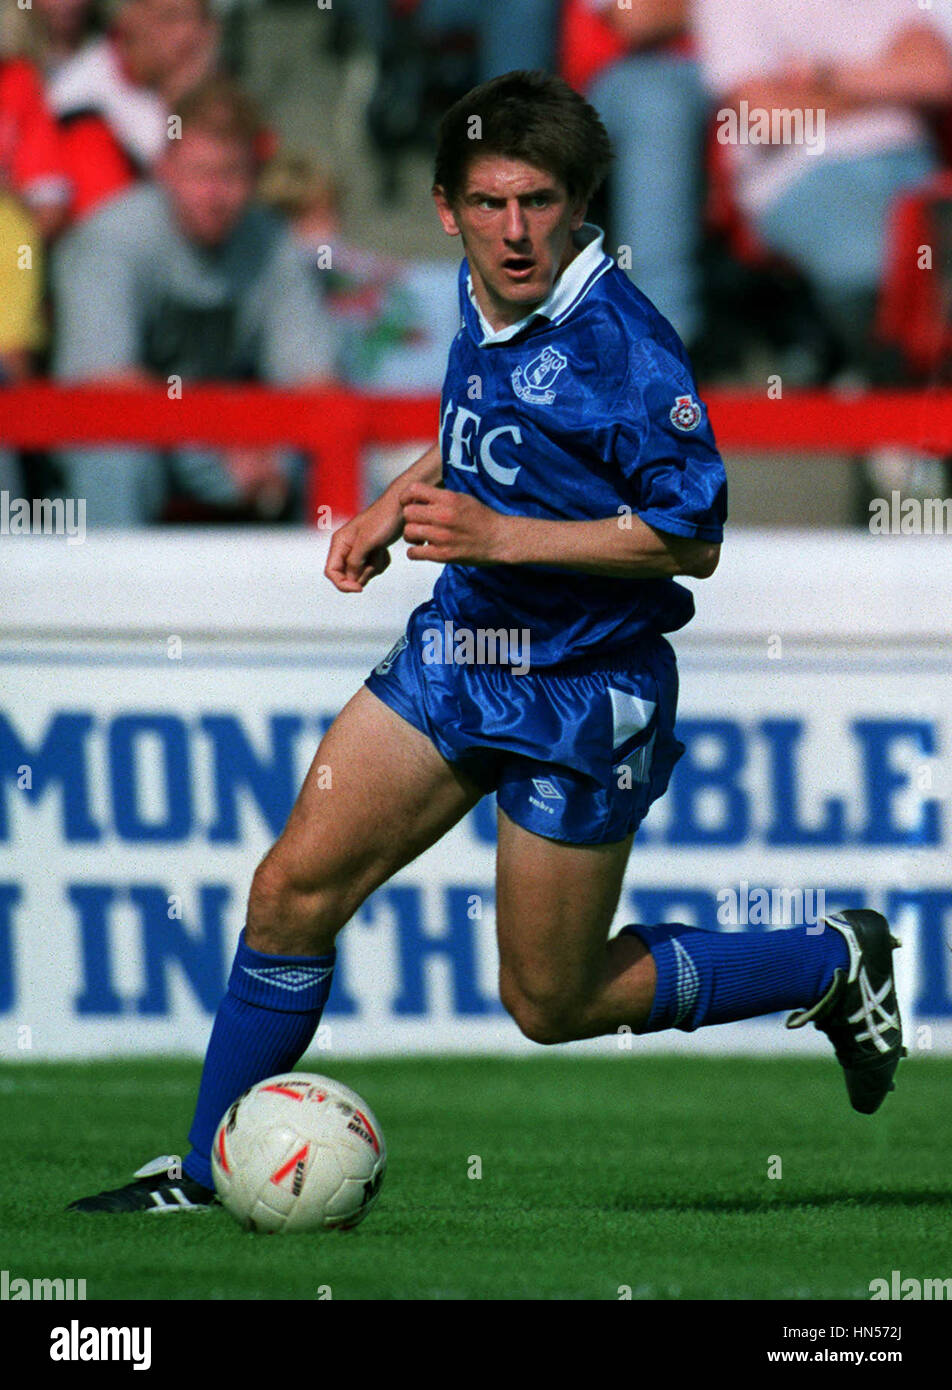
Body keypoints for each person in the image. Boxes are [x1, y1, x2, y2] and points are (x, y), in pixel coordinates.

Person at [68, 71, 903, 1214]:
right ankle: (210, 1171)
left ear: (578, 203)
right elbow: (482, 426)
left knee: (549, 1001)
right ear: (447, 205)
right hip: (460, 652)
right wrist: (390, 505)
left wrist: (504, 534)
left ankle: (826, 962)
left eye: (540, 202)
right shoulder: (482, 291)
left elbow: (690, 535)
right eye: (491, 203)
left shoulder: (626, 350)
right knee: (288, 892)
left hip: (585, 688)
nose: (516, 231)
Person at [51, 77, 337, 526]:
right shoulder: (109, 239)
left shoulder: (274, 245)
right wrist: (216, 441)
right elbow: (100, 387)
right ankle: (111, 595)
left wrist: (267, 452)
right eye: (200, 173)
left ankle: (343, 593)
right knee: (113, 457)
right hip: (140, 438)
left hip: (241, 443)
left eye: (231, 175)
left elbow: (316, 387)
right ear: (164, 168)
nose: (215, 195)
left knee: (340, 462)